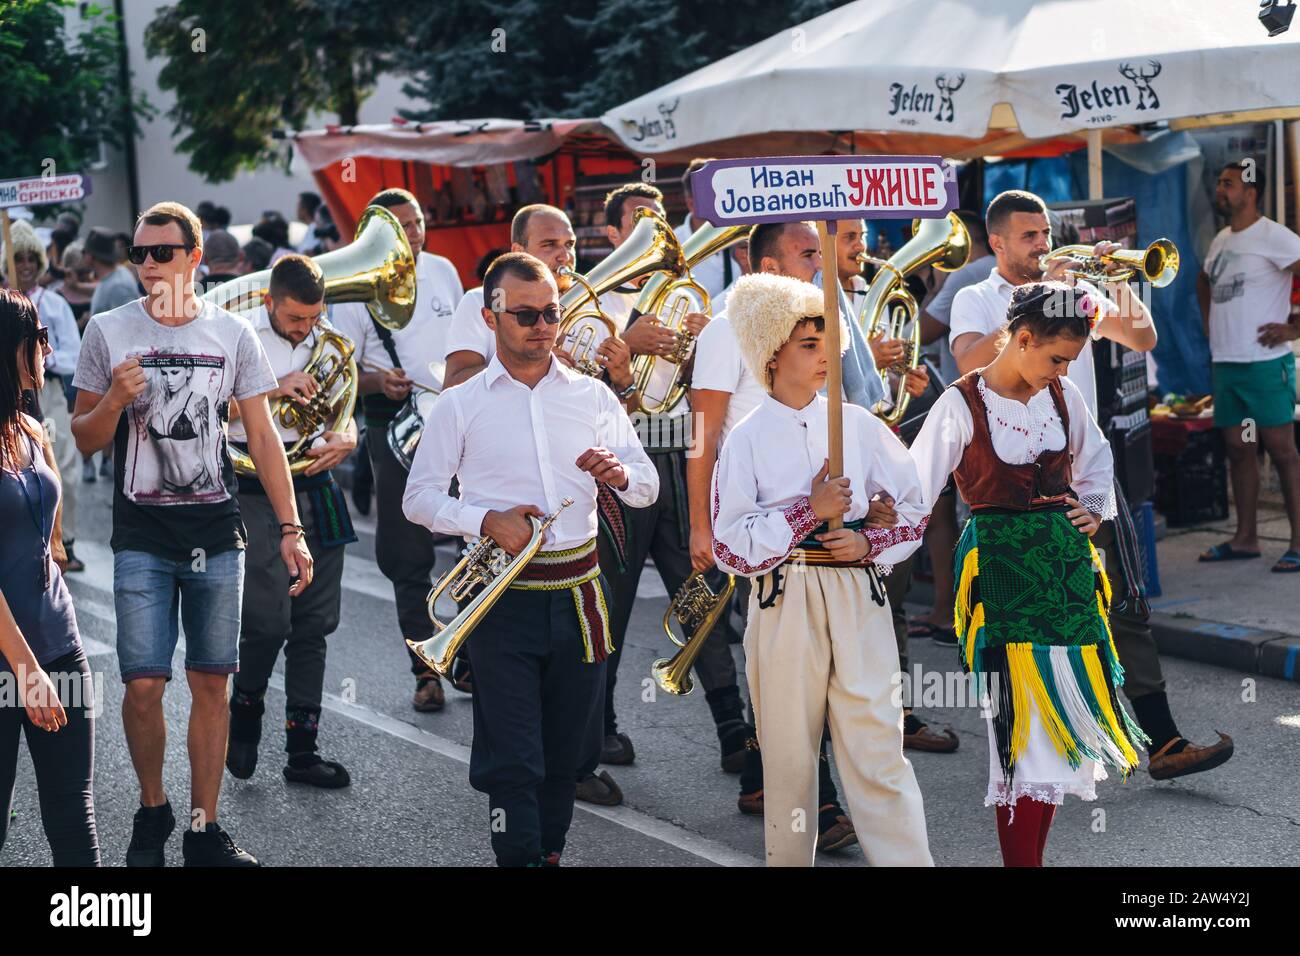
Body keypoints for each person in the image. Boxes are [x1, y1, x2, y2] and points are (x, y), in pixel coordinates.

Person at [950, 189, 1232, 779]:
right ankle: (1041, 750)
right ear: (997, 242)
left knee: (1123, 598)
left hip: (1086, 471)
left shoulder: (1078, 294)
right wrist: (1034, 306)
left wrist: (1115, 278)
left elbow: (1145, 338)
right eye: (1029, 236)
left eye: (1046, 232)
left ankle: (1162, 739)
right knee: (1031, 617)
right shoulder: (978, 297)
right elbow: (968, 365)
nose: (1044, 244)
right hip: (1012, 484)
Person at [71, 201, 314, 867]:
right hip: (142, 536)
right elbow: (84, 439)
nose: (148, 264)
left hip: (216, 529)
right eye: (139, 254)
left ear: (194, 258)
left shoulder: (232, 334)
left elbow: (261, 438)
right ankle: (153, 810)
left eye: (162, 253)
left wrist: (291, 527)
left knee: (212, 684)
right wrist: (116, 401)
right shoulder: (108, 330)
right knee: (143, 686)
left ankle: (204, 831)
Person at [403, 252, 658, 866]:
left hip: (579, 593)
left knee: (568, 755)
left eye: (551, 312)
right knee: (514, 758)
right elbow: (419, 498)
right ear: (491, 318)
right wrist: (484, 520)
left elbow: (647, 485)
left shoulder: (594, 396)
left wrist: (619, 473)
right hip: (499, 598)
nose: (542, 325)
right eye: (525, 314)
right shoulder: (460, 404)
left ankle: (547, 854)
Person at [913, 281, 1148, 866]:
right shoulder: (960, 403)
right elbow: (915, 490)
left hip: (1068, 581)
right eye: (1056, 357)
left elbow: (1096, 467)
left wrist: (1090, 511)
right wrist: (874, 535)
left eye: (1068, 360)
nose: (1063, 370)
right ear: (1021, 338)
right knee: (1017, 738)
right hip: (1000, 578)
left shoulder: (1064, 397)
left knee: (1057, 734)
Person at [688, 220, 905, 849]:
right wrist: (703, 523)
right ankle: (790, 793)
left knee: (863, 718)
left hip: (846, 554)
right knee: (785, 697)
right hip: (764, 538)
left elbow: (857, 407)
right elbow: (703, 432)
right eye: (809, 253)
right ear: (768, 266)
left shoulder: (827, 315)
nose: (822, 261)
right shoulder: (729, 327)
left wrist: (875, 512)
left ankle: (826, 799)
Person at [225, 255, 357, 789]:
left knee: (315, 625)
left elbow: (344, 407)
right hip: (254, 485)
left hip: (316, 483)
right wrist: (275, 386)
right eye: (297, 319)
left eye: (314, 317)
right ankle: (246, 706)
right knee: (266, 621)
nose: (308, 328)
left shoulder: (329, 338)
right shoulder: (238, 334)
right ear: (268, 302)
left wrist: (347, 437)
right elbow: (209, 407)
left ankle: (303, 751)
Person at [331, 187, 464, 713]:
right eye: (400, 225)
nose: (413, 233)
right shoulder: (357, 287)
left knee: (477, 542)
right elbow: (343, 375)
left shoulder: (445, 271)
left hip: (456, 417)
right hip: (396, 425)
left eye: (417, 222)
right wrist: (375, 381)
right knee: (408, 554)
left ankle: (472, 655)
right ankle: (425, 669)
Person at [0, 289, 100, 866]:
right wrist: (26, 670)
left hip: (58, 645)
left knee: (72, 817)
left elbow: (49, 540)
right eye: (37, 337)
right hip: (14, 658)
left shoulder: (32, 428)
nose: (48, 346)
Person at [1197, 160, 1300, 574]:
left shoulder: (1275, 237)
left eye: (1229, 184)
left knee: (1282, 452)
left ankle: (1297, 543)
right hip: (1229, 367)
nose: (1220, 190)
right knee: (1241, 449)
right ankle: (1246, 539)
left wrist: (1294, 329)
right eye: (1220, 183)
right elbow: (1203, 281)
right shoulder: (1223, 238)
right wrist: (1210, 324)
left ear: (1251, 192)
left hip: (1264, 367)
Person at [3, 221, 85, 573]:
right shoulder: (4, 304)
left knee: (61, 463)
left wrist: (40, 359)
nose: (24, 265)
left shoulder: (53, 303)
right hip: (8, 392)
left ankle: (64, 539)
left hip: (46, 392)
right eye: (17, 257)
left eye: (30, 258)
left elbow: (72, 352)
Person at [83, 226, 141, 483]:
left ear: (90, 256)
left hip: (115, 371)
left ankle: (109, 461)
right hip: (110, 370)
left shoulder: (117, 285)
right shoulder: (109, 280)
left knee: (106, 415)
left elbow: (129, 330)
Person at [675, 158, 733, 300]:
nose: (723, 200)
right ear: (691, 204)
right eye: (713, 195)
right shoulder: (673, 247)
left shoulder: (746, 238)